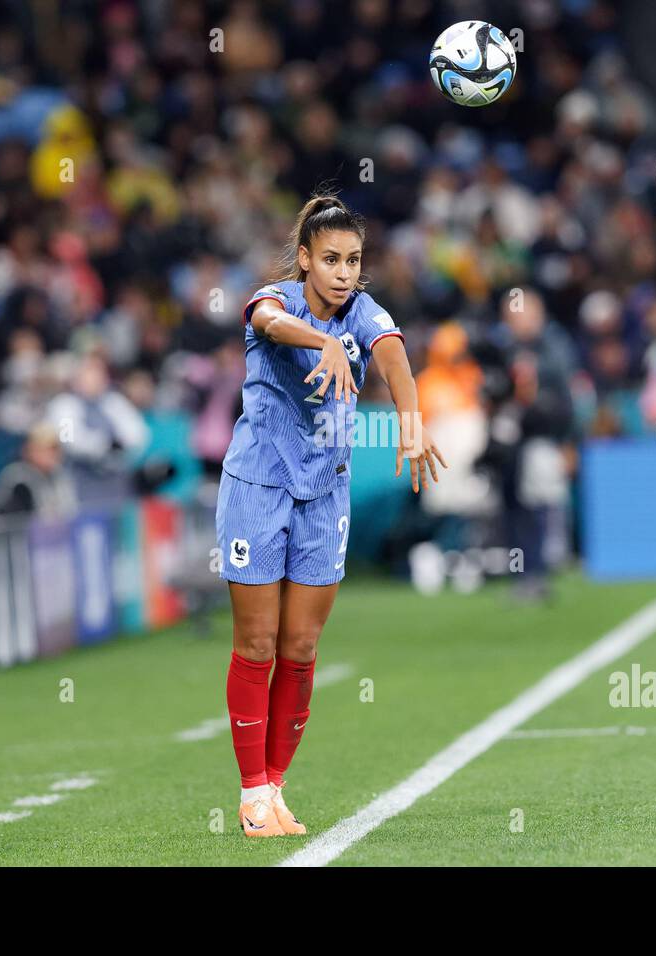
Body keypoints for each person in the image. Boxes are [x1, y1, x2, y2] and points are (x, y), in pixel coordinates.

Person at [217, 192, 445, 837]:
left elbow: (395, 355)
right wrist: (326, 343)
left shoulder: (366, 314)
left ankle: (275, 789)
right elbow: (267, 324)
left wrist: (410, 420)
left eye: (354, 260)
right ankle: (251, 793)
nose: (345, 273)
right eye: (332, 260)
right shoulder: (279, 301)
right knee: (257, 643)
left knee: (302, 646)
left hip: (325, 494)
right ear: (304, 261)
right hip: (258, 485)